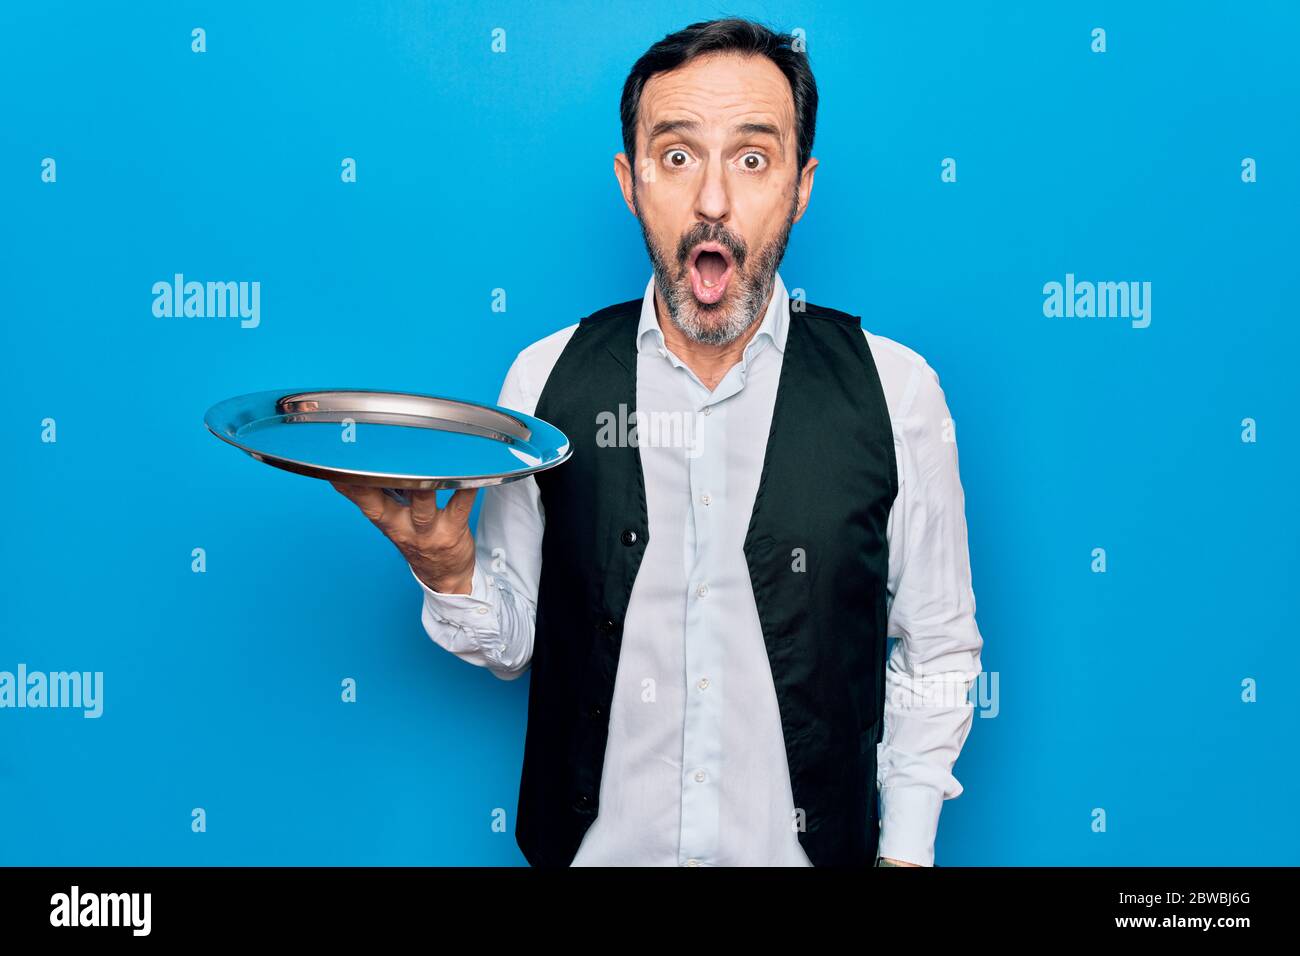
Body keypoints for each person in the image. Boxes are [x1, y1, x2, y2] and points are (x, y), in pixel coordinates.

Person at [332, 17, 983, 868]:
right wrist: (448, 569)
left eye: (753, 159)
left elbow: (938, 646)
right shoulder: (545, 379)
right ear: (630, 182)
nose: (713, 199)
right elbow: (511, 643)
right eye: (677, 157)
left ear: (800, 186)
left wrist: (906, 851)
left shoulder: (898, 392)